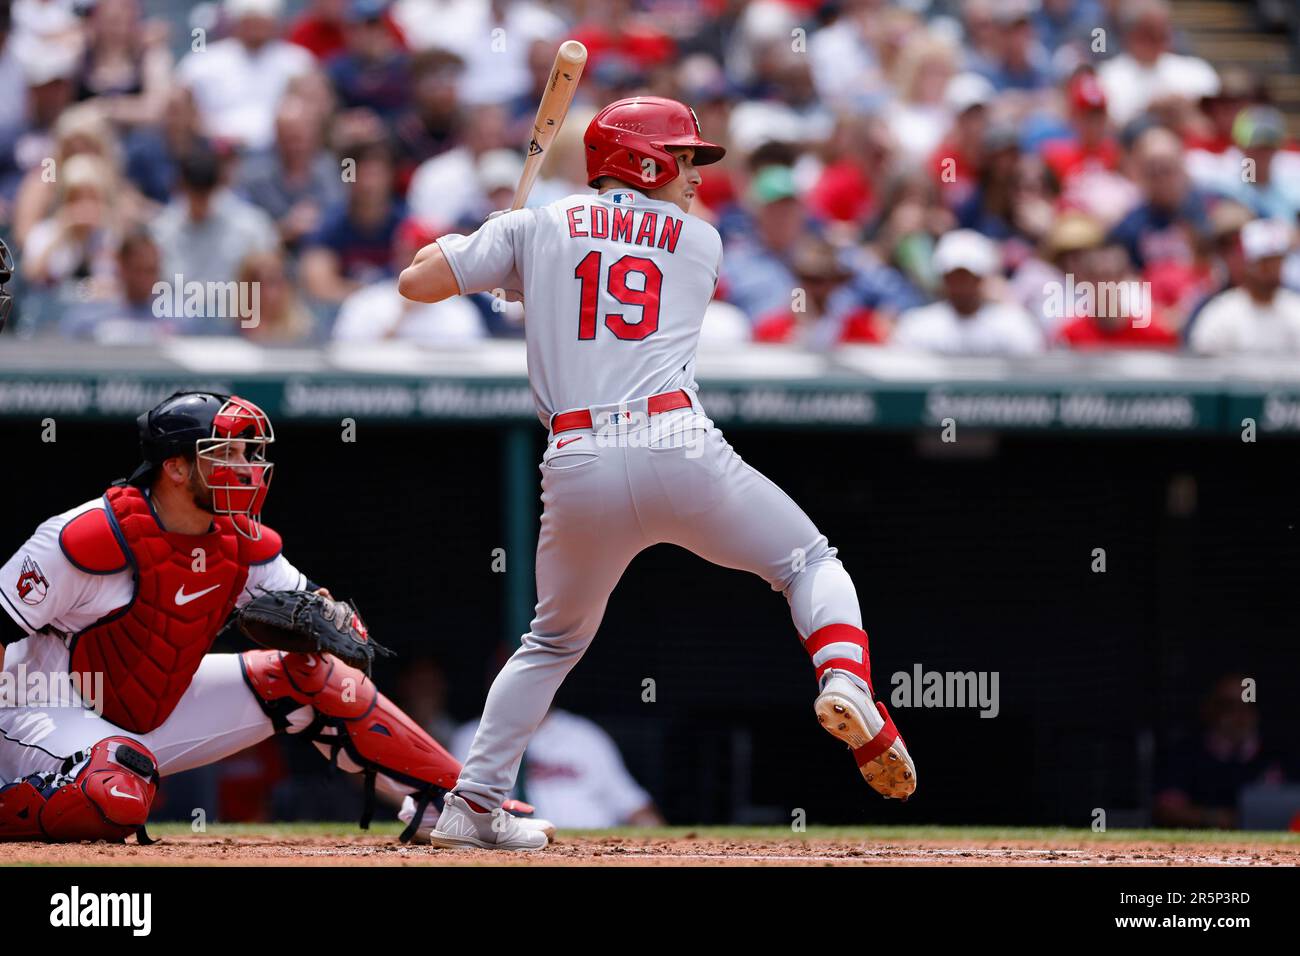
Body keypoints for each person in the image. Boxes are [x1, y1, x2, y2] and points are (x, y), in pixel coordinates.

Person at [399, 95, 916, 852]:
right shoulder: (701, 244)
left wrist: (495, 251)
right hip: (679, 445)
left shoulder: (538, 225)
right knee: (807, 560)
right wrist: (527, 266)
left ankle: (471, 806)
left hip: (577, 466)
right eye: (684, 159)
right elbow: (618, 278)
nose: (695, 176)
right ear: (645, 162)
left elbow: (416, 284)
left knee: (549, 642)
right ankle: (844, 678)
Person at [0, 391, 552, 844]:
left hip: (148, 713)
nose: (245, 467)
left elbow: (334, 626)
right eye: (225, 453)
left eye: (249, 452)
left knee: (314, 675)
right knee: (113, 792)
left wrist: (333, 625)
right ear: (174, 466)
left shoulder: (244, 544)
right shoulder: (88, 536)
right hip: (38, 711)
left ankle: (460, 806)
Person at [891, 229, 1043, 355]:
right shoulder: (917, 326)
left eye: (969, 276)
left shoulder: (1014, 324)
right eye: (953, 276)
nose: (961, 283)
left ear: (982, 278)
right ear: (944, 278)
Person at [1190, 218, 1300, 354]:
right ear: (1247, 264)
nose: (1274, 268)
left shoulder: (1296, 310)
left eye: (1278, 260)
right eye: (1265, 262)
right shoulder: (1221, 314)